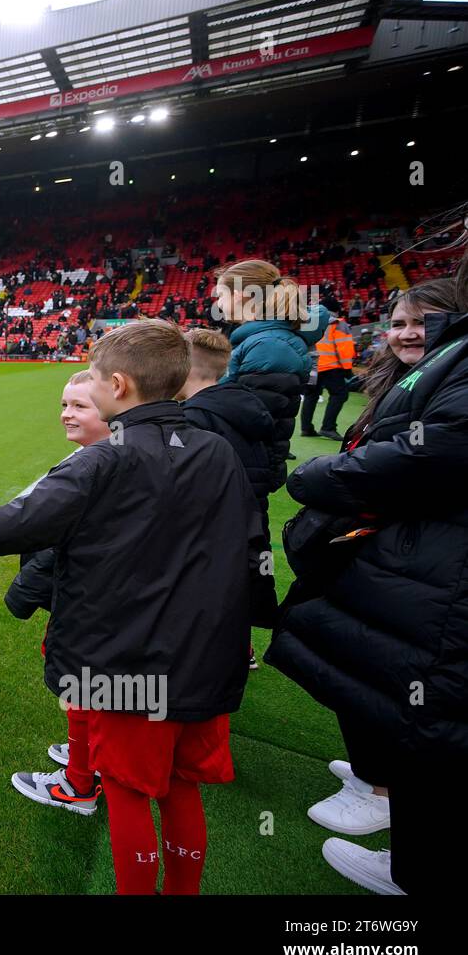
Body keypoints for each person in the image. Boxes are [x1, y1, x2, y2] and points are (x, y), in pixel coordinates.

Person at [0, 320, 261, 894]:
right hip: (206, 655)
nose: (86, 389)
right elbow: (247, 544)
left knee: (128, 790)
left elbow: (5, 527)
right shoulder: (216, 449)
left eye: (91, 378)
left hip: (132, 660)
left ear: (117, 385)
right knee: (181, 785)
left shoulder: (103, 461)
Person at [267, 273, 467, 896]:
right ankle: (377, 784)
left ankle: (407, 852)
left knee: (419, 704)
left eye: (423, 322)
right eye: (400, 322)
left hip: (430, 571)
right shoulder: (419, 374)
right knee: (378, 678)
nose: (408, 333)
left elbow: (425, 457)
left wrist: (325, 475)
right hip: (407, 563)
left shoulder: (450, 377)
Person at [6, 369, 110, 814]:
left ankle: (79, 783)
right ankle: (88, 758)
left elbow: (48, 542)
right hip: (95, 607)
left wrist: (25, 590)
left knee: (80, 686)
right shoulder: (104, 459)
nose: (66, 414)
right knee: (88, 688)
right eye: (64, 405)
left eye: (79, 406)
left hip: (87, 608)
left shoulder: (97, 469)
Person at [178, 329, 278, 664]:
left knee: (205, 589)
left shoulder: (193, 418)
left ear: (183, 368)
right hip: (249, 517)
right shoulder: (246, 406)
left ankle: (215, 655)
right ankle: (239, 648)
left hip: (214, 524)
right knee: (235, 584)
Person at [215, 259, 325, 481]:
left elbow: (253, 416)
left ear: (240, 296)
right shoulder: (262, 340)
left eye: (220, 295)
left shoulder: (270, 345)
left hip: (245, 466)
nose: (218, 304)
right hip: (241, 462)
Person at [300, 305, 355, 441]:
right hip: (331, 366)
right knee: (340, 394)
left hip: (312, 364)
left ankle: (306, 428)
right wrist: (347, 368)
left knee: (310, 396)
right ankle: (328, 428)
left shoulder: (308, 322)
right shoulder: (339, 323)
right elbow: (344, 347)